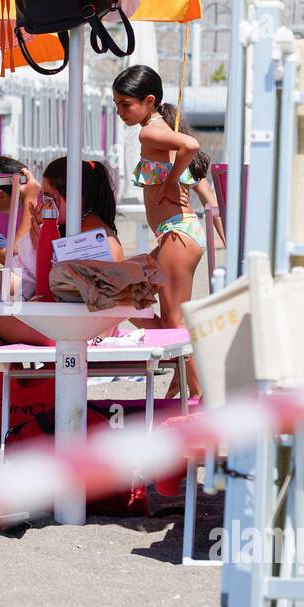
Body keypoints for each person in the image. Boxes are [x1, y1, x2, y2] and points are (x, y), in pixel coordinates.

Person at [114, 65, 224, 400]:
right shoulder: (159, 131)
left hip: (177, 235)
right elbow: (207, 192)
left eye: (125, 104)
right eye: (117, 104)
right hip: (178, 235)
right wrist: (218, 229)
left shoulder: (151, 133)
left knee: (171, 317)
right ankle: (182, 377)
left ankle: (201, 390)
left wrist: (174, 179)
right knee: (125, 294)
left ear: (149, 101)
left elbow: (191, 144)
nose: (120, 112)